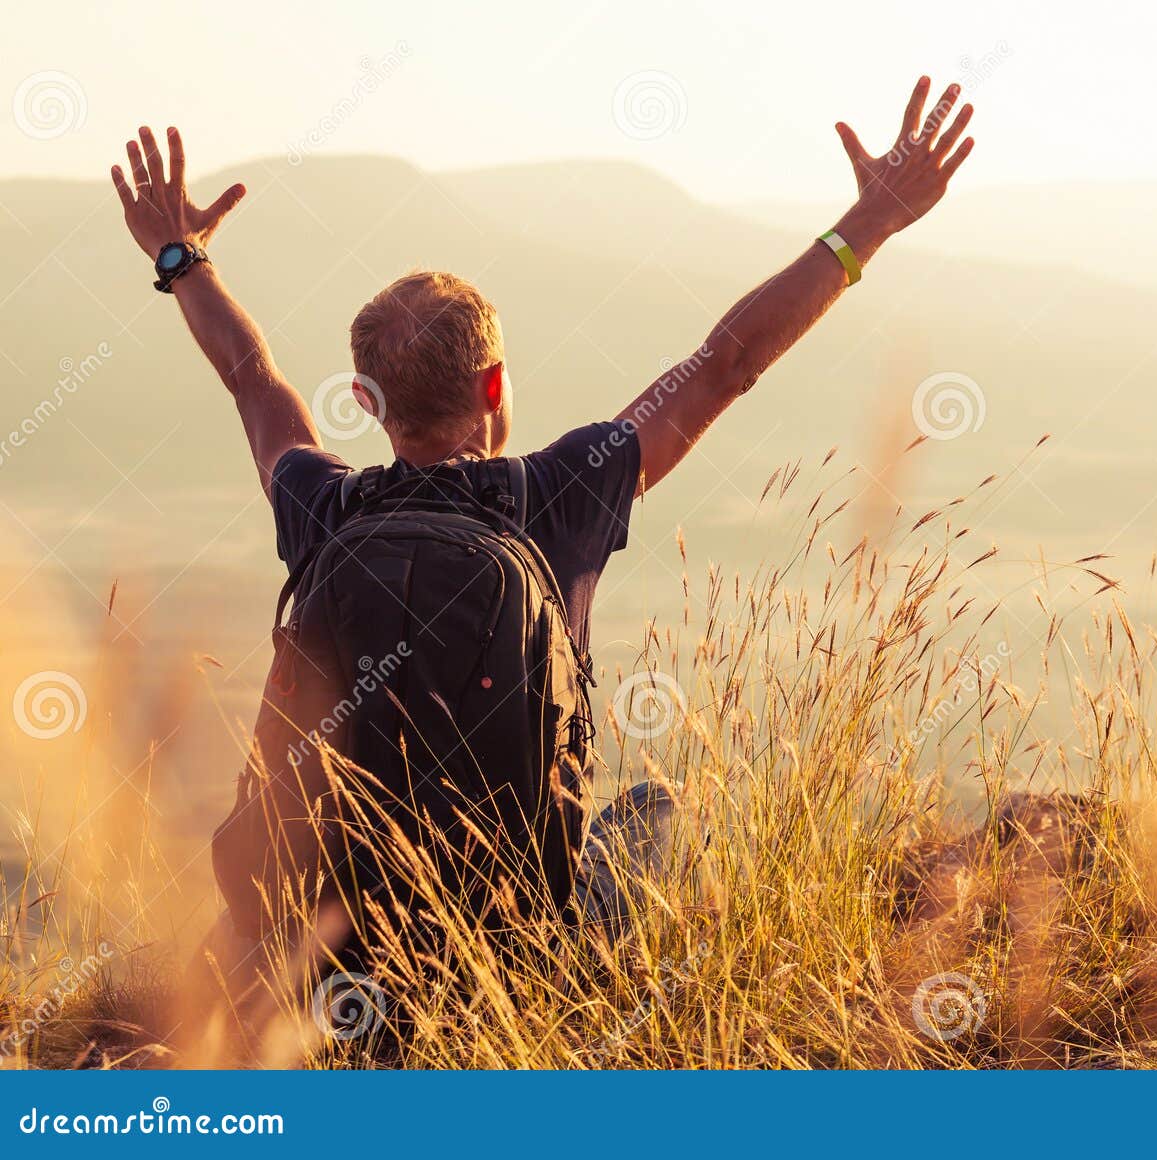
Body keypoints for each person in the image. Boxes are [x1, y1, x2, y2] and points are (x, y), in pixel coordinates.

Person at [108, 77, 977, 998]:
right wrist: (868, 224)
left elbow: (255, 382)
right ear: (494, 389)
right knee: (655, 812)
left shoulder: (326, 508)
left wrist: (182, 256)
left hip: (328, 945)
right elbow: (725, 363)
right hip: (516, 950)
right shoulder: (564, 489)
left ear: (366, 404)